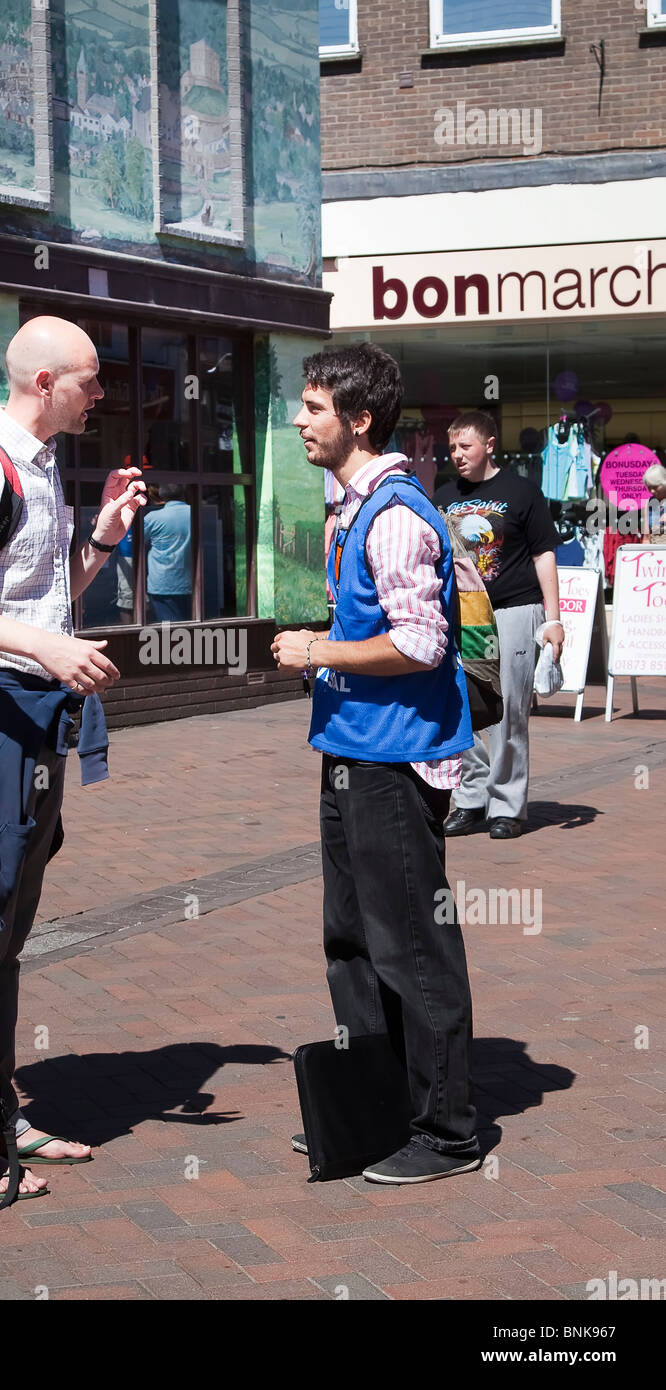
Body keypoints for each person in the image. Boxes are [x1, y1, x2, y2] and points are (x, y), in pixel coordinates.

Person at [0, 316, 146, 1198]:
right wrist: (44, 653)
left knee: (5, 935)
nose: (101, 395)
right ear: (45, 381)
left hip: (34, 722)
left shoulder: (44, 469)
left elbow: (40, 598)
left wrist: (106, 538)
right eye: (89, 380)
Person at [272, 343, 481, 1185]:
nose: (299, 420)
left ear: (359, 419)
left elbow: (422, 643)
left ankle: (447, 1132)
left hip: (396, 762)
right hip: (356, 752)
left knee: (412, 948)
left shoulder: (392, 514)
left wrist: (320, 648)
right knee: (352, 941)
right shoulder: (355, 508)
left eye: (314, 407)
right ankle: (375, 1103)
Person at [434, 413, 562, 839]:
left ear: (489, 444)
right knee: (461, 708)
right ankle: (470, 798)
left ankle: (507, 804)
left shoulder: (522, 492)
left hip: (515, 611)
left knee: (508, 714)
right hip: (463, 615)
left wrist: (554, 618)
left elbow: (544, 555)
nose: (457, 456)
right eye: (452, 448)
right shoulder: (444, 494)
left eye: (465, 447)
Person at [144, 483, 192, 621]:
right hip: (190, 581)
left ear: (162, 496)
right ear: (183, 495)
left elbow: (136, 542)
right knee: (190, 625)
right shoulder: (195, 513)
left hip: (161, 582)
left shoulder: (152, 518)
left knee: (167, 628)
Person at [641, 463, 666, 541]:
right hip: (655, 549)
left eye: (655, 487)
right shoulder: (649, 502)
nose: (652, 491)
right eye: (649, 487)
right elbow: (646, 536)